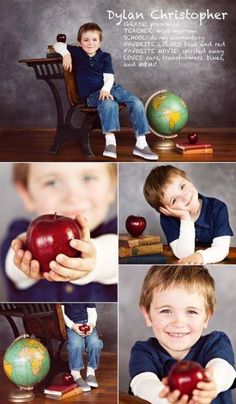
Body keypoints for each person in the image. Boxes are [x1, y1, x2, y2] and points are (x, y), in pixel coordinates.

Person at [0, 162, 117, 302]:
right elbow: (11, 264)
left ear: (112, 187)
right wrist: (25, 254)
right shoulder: (19, 231)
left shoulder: (116, 232)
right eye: (52, 182)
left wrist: (95, 258)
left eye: (88, 178)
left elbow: (115, 254)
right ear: (26, 194)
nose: (73, 197)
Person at [129, 265, 236, 404]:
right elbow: (142, 384)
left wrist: (212, 382)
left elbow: (225, 369)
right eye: (166, 311)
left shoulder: (215, 343)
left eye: (191, 311)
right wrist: (166, 397)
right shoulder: (143, 352)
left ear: (206, 317)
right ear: (148, 315)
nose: (178, 322)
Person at [53, 22, 158, 161]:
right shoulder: (77, 52)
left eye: (94, 40)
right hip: (92, 95)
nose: (90, 43)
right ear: (80, 42)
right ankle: (110, 143)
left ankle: (141, 144)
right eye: (86, 40)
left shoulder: (105, 57)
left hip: (113, 88)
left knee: (136, 102)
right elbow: (57, 45)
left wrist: (105, 89)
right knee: (109, 104)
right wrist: (66, 54)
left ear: (100, 41)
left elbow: (109, 77)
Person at [143, 165, 233, 265]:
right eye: (174, 200)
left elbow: (222, 249)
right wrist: (186, 218)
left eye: (182, 186)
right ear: (165, 210)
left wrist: (199, 257)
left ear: (187, 178)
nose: (184, 196)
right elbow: (184, 255)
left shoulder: (217, 208)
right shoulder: (167, 218)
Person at [62, 303, 103, 392]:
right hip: (72, 325)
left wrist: (91, 324)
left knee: (95, 343)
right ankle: (76, 374)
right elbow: (61, 313)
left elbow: (92, 311)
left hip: (87, 323)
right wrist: (72, 326)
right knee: (76, 344)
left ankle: (91, 373)